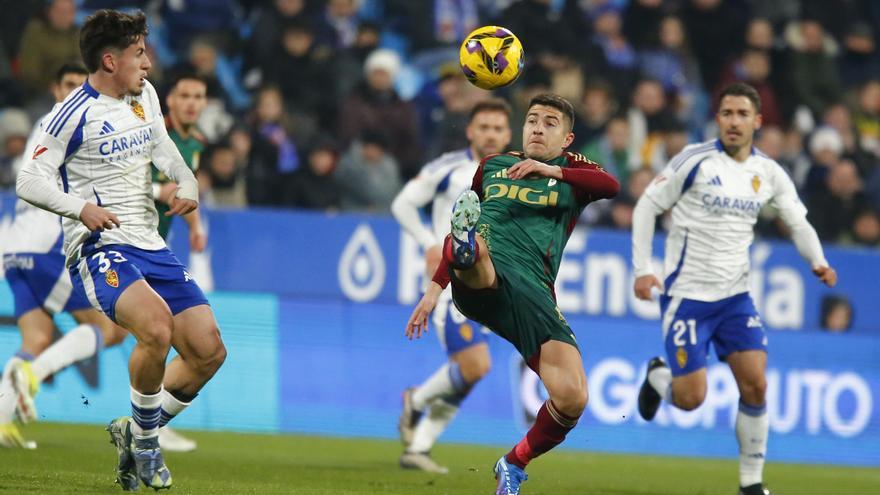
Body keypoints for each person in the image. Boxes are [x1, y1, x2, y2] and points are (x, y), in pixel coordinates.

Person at [15, 10, 227, 490]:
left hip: (149, 242)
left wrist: (186, 177)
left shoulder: (144, 96)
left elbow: (163, 147)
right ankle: (148, 445)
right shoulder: (71, 114)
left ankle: (132, 430)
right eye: (138, 54)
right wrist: (80, 209)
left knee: (209, 351)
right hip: (98, 245)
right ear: (110, 61)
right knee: (155, 327)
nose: (148, 63)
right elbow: (28, 179)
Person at [406, 94, 620, 494]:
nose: (538, 127)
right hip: (484, 278)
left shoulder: (573, 175)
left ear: (567, 137)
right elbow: (475, 214)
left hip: (534, 293)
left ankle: (513, 464)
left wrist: (550, 170)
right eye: (533, 120)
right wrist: (433, 290)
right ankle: (463, 251)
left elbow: (611, 185)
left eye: (550, 122)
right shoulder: (493, 167)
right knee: (476, 245)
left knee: (572, 398)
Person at [631, 82, 837, 495]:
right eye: (726, 113)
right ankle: (658, 378)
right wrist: (642, 269)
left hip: (735, 298)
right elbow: (648, 205)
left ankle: (750, 484)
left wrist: (818, 260)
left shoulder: (769, 173)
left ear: (758, 121)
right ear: (717, 119)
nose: (734, 121)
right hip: (687, 297)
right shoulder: (694, 160)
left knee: (756, 384)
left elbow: (796, 221)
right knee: (691, 399)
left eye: (743, 114)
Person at [0, 63, 130, 448]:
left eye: (81, 85)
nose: (76, 92)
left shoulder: (43, 126)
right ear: (57, 89)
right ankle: (33, 377)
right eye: (70, 85)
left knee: (36, 337)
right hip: (48, 248)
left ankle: (3, 418)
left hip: (14, 250)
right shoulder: (69, 124)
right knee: (113, 330)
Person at [392, 98, 512, 474]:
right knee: (475, 365)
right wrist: (429, 242)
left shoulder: (515, 172)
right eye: (484, 127)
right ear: (470, 131)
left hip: (495, 285)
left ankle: (420, 446)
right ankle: (415, 402)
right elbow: (403, 205)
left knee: (469, 370)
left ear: (508, 134)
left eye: (498, 128)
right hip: (452, 283)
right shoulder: (449, 167)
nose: (491, 134)